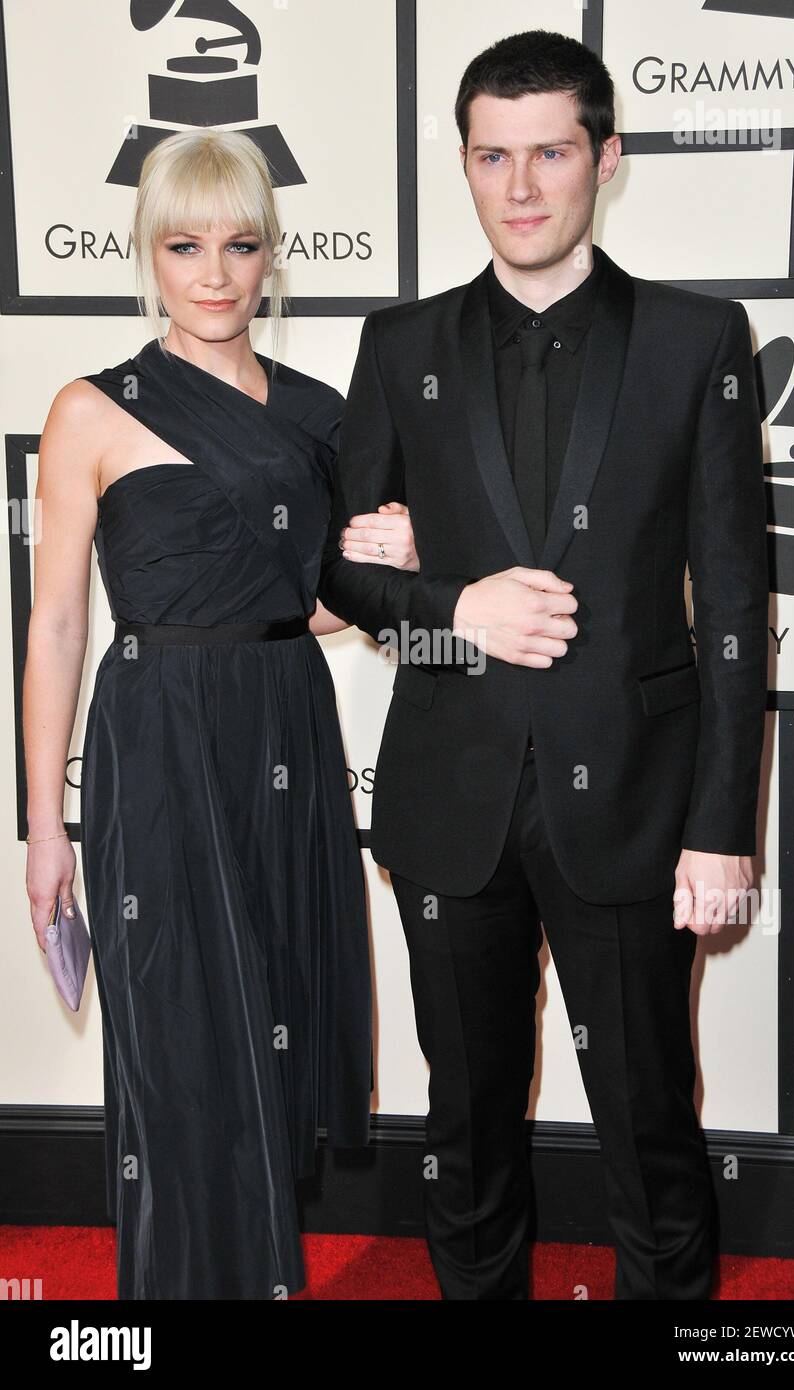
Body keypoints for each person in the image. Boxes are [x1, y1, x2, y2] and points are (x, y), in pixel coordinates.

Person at [319, 29, 769, 1300]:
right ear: (463, 166)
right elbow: (345, 576)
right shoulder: (396, 342)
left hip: (633, 803)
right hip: (445, 800)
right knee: (461, 1141)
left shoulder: (694, 340)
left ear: (604, 159)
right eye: (491, 157)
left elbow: (734, 607)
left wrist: (720, 829)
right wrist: (452, 602)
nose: (520, 188)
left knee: (650, 1132)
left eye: (551, 154)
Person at [22, 128, 417, 1300]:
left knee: (272, 1018)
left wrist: (391, 568)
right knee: (179, 1036)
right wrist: (47, 826)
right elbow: (52, 630)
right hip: (154, 738)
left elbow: (336, 605)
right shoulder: (91, 409)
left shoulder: (316, 412)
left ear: (269, 255)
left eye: (238, 244)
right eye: (185, 244)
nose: (212, 271)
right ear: (147, 254)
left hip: (282, 730)